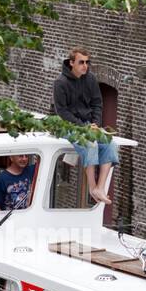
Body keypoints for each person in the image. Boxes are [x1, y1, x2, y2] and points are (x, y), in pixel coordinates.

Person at [53, 46, 116, 204]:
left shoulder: (91, 79)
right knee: (90, 143)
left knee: (110, 143)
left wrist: (95, 124)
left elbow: (97, 103)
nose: (85, 66)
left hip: (89, 124)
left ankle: (100, 188)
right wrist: (83, 127)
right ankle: (92, 187)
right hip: (68, 126)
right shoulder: (60, 83)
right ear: (72, 63)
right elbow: (62, 112)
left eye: (87, 62)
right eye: (81, 62)